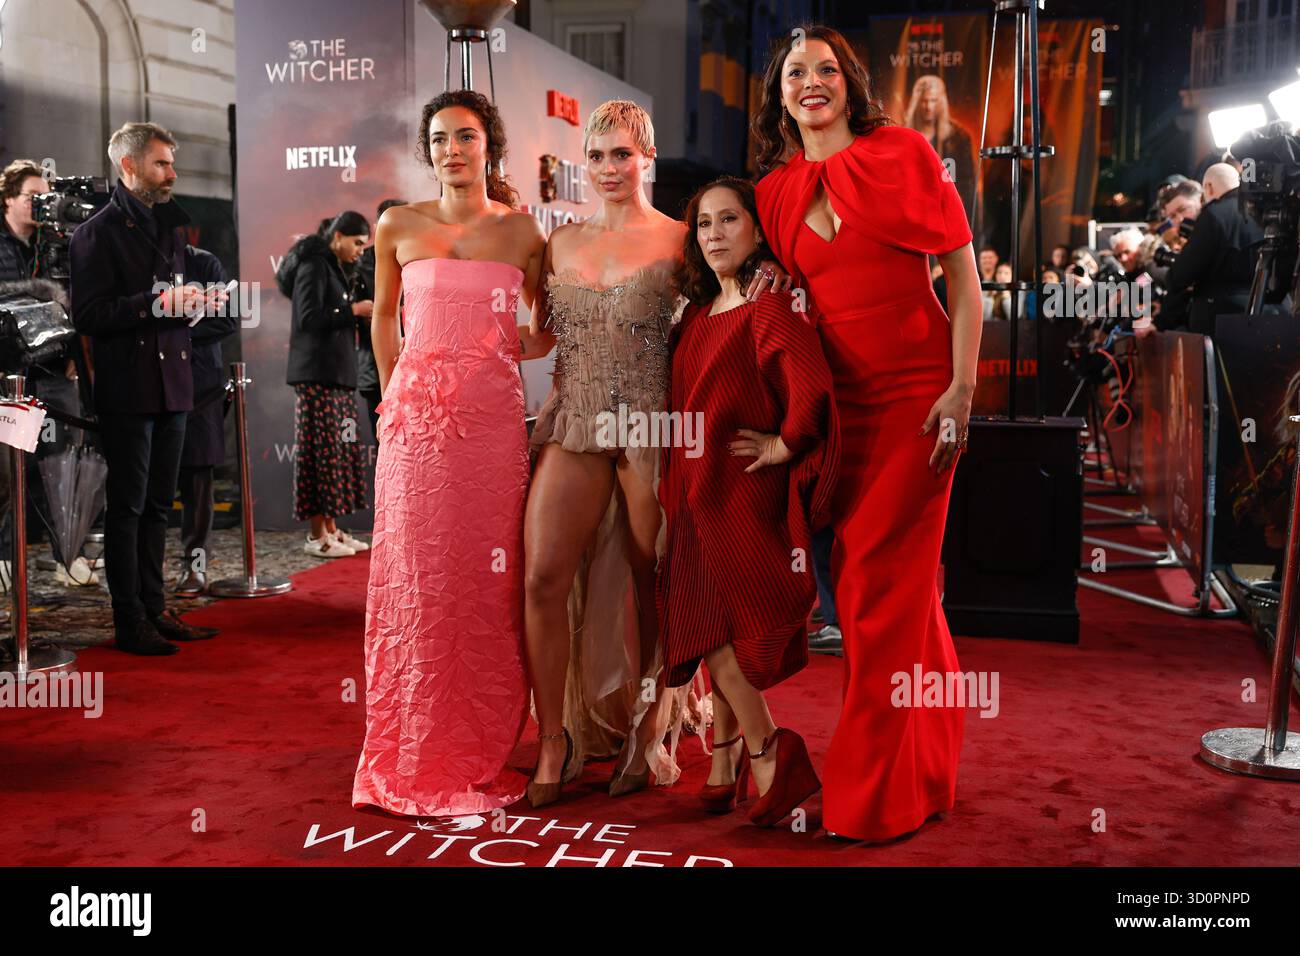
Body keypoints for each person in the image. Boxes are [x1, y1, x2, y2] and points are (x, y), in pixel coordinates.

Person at [521, 100, 790, 809]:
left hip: (652, 427)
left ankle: (647, 729)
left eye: (623, 154)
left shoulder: (682, 239)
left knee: (655, 582)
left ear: (648, 158)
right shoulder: (560, 242)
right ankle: (554, 739)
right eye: (599, 154)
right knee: (542, 576)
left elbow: (729, 308)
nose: (610, 167)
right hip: (574, 418)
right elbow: (541, 336)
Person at [753, 25, 982, 842]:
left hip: (921, 399)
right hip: (848, 415)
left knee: (872, 590)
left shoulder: (905, 156)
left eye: (825, 71)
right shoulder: (775, 192)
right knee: (900, 599)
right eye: (793, 73)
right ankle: (932, 761)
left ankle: (867, 798)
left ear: (849, 83)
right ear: (778, 93)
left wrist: (962, 387)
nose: (810, 83)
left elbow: (962, 273)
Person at [352, 89, 545, 817]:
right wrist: (397, 392)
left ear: (489, 144)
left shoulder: (524, 232)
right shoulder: (398, 223)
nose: (451, 151)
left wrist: (493, 358)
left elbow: (546, 326)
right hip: (416, 432)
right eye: (438, 139)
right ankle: (410, 747)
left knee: (485, 586)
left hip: (493, 431)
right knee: (416, 582)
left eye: (464, 136)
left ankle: (477, 745)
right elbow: (385, 323)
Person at [661, 176, 838, 823]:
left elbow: (810, 382)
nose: (713, 234)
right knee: (714, 622)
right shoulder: (697, 315)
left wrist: (785, 444)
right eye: (703, 223)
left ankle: (769, 752)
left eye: (728, 220)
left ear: (758, 230)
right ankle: (727, 755)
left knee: (714, 630)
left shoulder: (769, 305)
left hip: (740, 497)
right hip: (691, 493)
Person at [68, 121, 221, 654]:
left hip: (175, 384)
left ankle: (154, 609)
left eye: (171, 163)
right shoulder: (94, 233)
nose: (172, 173)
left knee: (159, 505)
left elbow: (171, 299)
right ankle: (128, 619)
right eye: (161, 164)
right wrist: (155, 306)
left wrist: (194, 305)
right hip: (128, 389)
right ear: (129, 166)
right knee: (128, 508)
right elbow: (88, 315)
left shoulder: (169, 226)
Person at [283, 211, 372, 557]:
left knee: (335, 455)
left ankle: (332, 529)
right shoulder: (314, 265)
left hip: (336, 375)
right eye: (358, 243)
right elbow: (308, 317)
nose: (361, 251)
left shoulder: (334, 267)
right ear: (338, 237)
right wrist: (354, 311)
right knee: (320, 456)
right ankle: (317, 535)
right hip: (316, 375)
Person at [174, 245, 238, 595]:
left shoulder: (204, 262)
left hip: (201, 388)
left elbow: (226, 319)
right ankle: (142, 571)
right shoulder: (137, 262)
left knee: (198, 482)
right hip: (149, 384)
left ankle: (195, 567)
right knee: (146, 482)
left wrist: (170, 325)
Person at [1154, 162, 1263, 336]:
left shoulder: (1215, 215)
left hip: (1222, 320)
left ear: (1208, 188)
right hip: (1271, 313)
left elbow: (1182, 274)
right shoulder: (1265, 209)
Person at [353, 198, 406, 440]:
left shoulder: (418, 257)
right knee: (386, 441)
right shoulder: (358, 264)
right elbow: (355, 313)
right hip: (375, 368)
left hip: (420, 368)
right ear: (378, 226)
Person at [903, 75, 975, 226]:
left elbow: (967, 186)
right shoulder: (903, 135)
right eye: (924, 101)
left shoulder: (958, 138)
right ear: (917, 102)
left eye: (933, 100)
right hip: (913, 216)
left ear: (941, 102)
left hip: (947, 216)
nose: (928, 106)